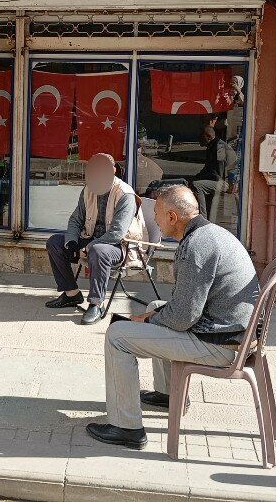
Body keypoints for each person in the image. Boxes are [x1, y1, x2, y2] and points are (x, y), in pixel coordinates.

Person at [86, 185, 259, 450]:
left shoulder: (196, 247)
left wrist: (145, 321)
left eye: (156, 213)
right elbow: (185, 308)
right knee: (156, 304)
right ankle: (168, 395)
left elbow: (183, 318)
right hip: (230, 334)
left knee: (117, 336)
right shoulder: (211, 233)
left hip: (220, 345)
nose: (153, 220)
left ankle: (126, 428)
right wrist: (154, 313)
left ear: (172, 217)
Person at [45, 153, 148, 325]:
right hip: (92, 239)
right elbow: (76, 219)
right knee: (55, 243)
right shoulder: (88, 189)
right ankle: (71, 294)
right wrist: (71, 241)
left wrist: (88, 247)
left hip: (121, 247)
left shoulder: (125, 194)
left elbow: (117, 233)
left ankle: (95, 304)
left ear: (113, 170)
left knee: (98, 250)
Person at [190, 125, 231, 220]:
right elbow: (208, 168)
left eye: (201, 137)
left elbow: (218, 174)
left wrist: (199, 179)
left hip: (224, 182)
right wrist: (197, 177)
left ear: (208, 137)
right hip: (218, 180)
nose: (199, 139)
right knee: (196, 183)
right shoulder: (212, 147)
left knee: (197, 186)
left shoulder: (219, 148)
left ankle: (203, 219)